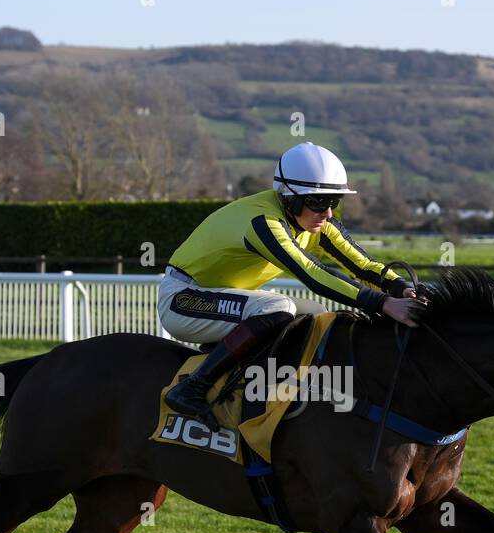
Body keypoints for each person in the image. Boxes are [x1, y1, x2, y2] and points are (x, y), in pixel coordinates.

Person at [159, 142, 425, 427]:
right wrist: (383, 303)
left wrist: (399, 288)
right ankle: (193, 388)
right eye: (319, 202)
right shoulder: (263, 222)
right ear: (290, 199)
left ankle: (286, 392)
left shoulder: (315, 223)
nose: (328, 213)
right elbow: (312, 273)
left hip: (222, 296)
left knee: (317, 314)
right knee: (279, 306)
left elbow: (363, 265)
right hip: (184, 299)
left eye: (334, 202)